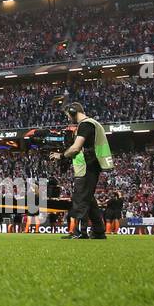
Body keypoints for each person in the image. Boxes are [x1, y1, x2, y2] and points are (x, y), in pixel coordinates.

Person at [51, 101, 111, 239]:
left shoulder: (85, 125)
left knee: (80, 200)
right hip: (91, 165)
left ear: (73, 112)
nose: (68, 118)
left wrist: (61, 155)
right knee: (89, 200)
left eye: (68, 115)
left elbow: (76, 147)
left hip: (86, 166)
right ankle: (98, 231)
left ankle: (79, 232)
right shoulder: (92, 123)